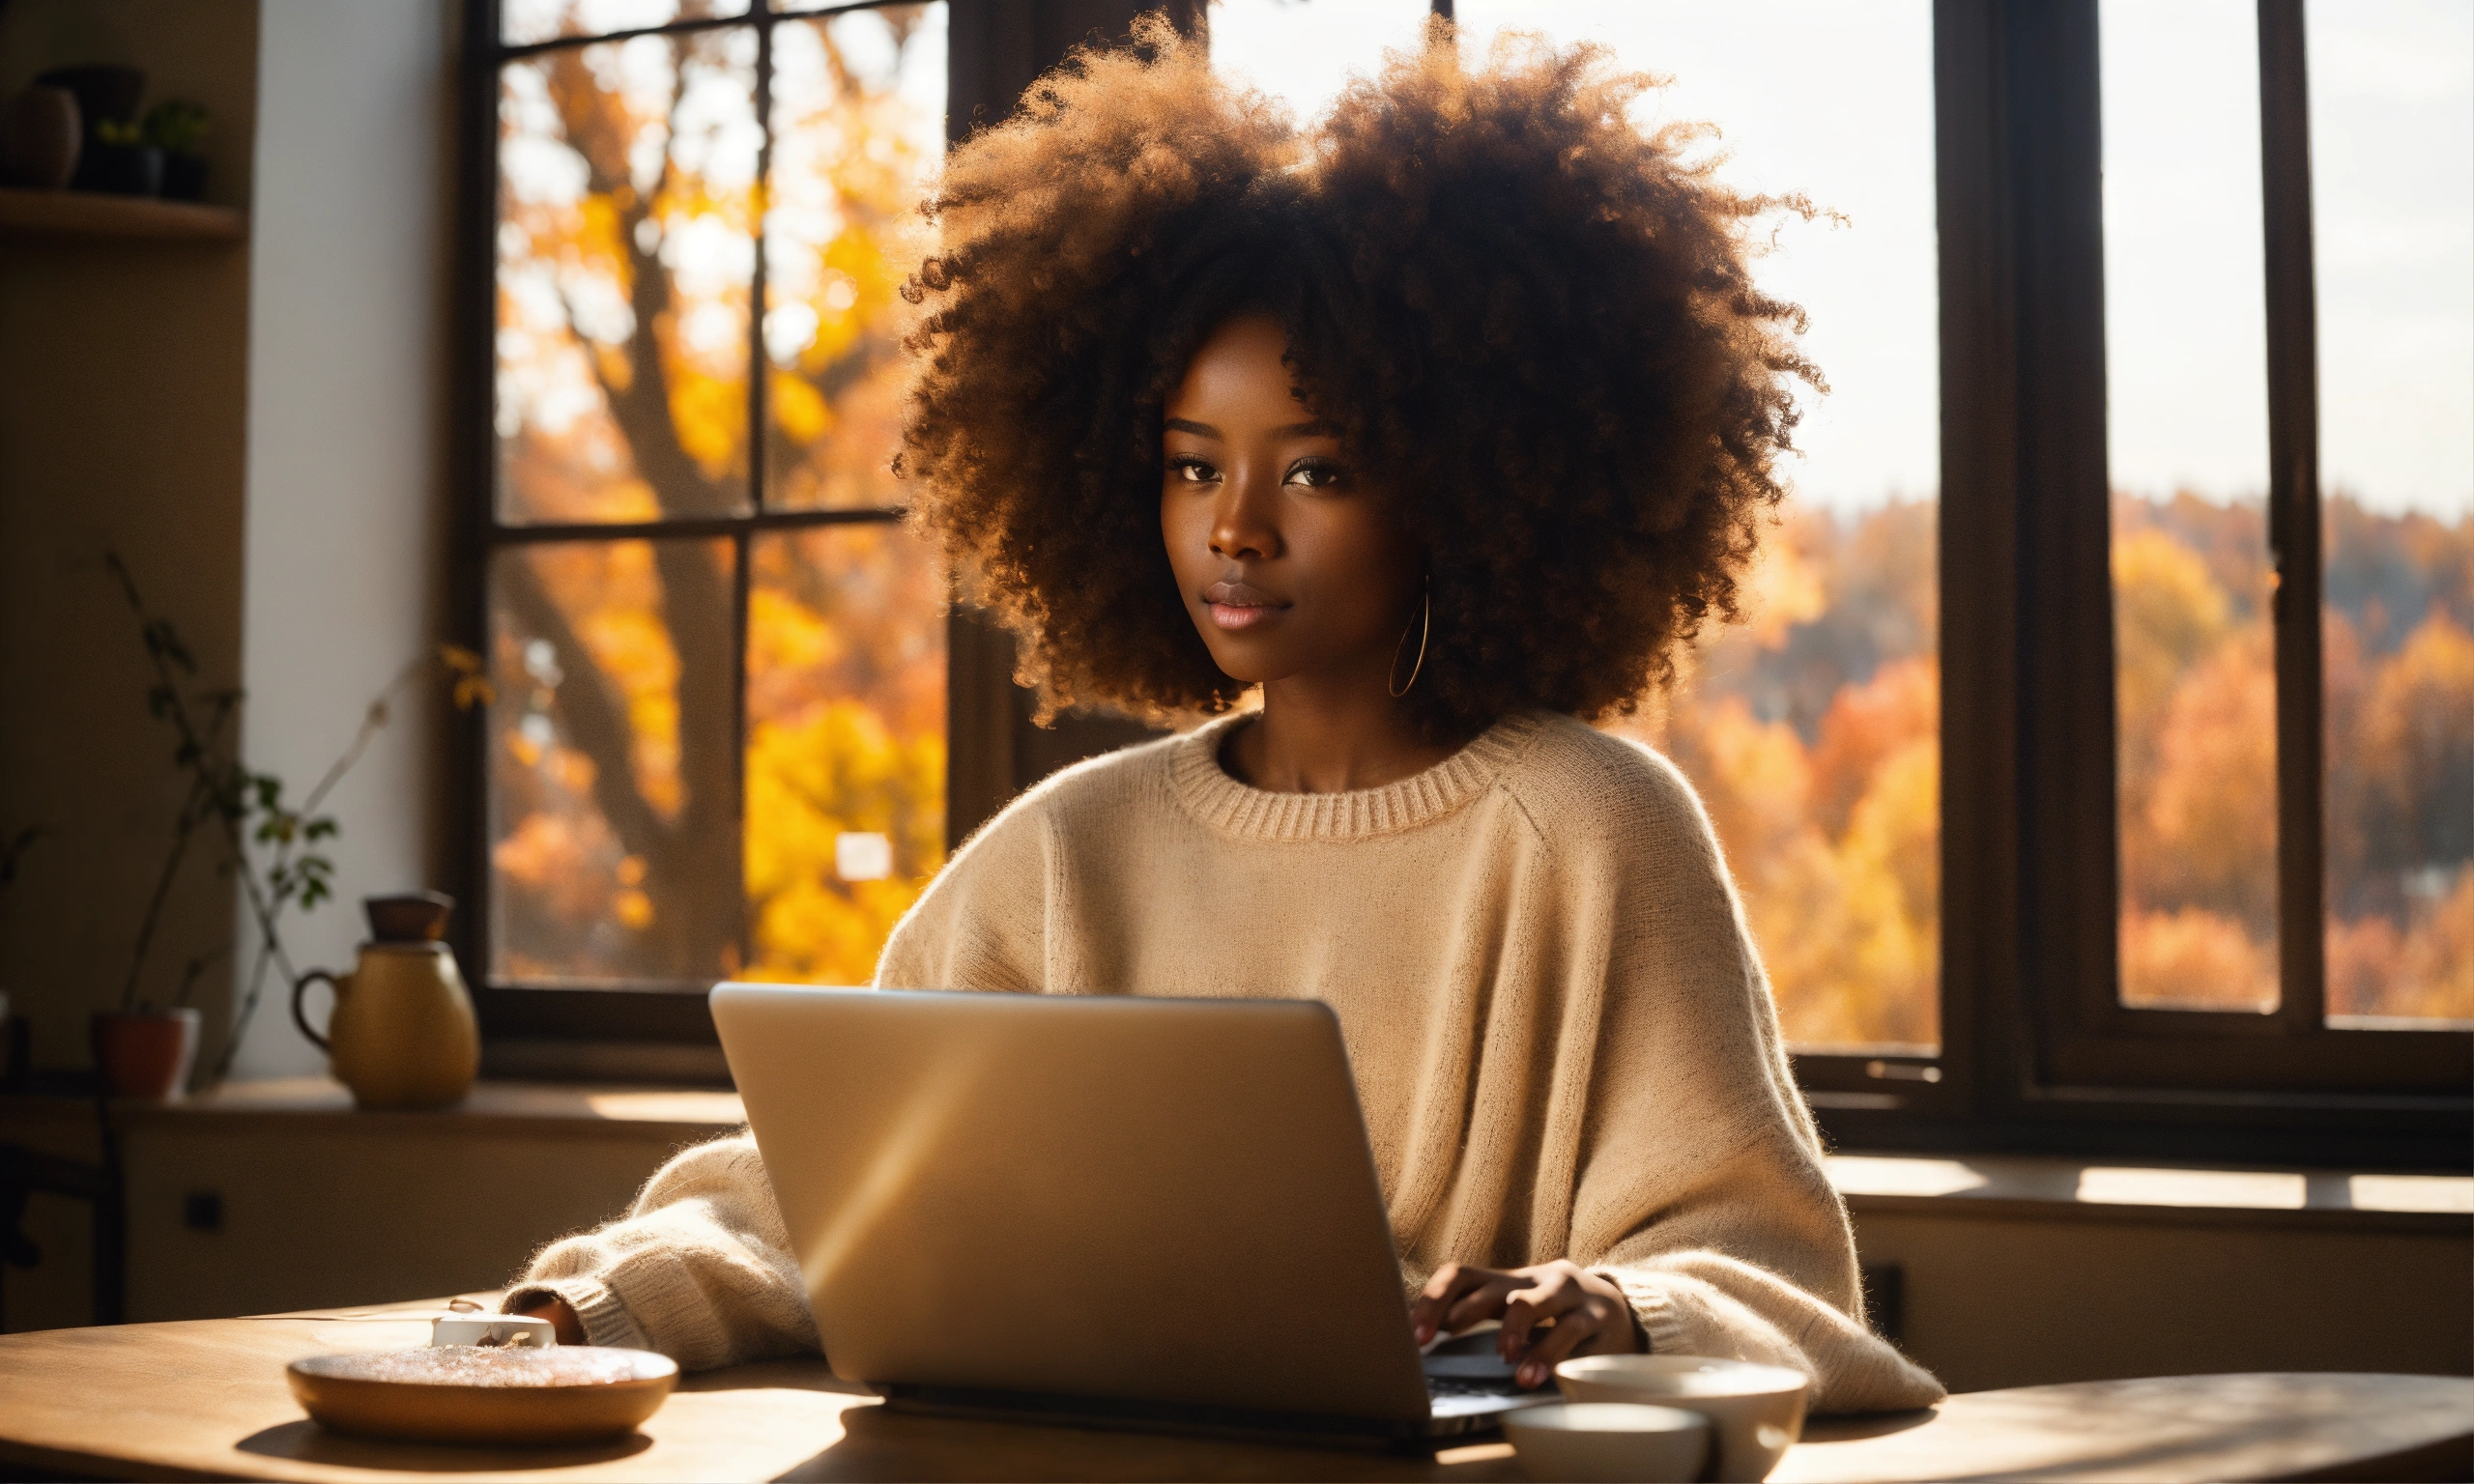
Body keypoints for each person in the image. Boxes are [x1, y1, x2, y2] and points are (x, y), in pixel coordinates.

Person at [504, 17, 1942, 1413]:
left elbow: (1773, 1274)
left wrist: (1616, 1310)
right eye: (1194, 468)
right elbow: (814, 1192)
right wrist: (595, 1303)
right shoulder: (1066, 853)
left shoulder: (1591, 829)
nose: (1235, 531)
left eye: (1314, 472)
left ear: (1468, 483)